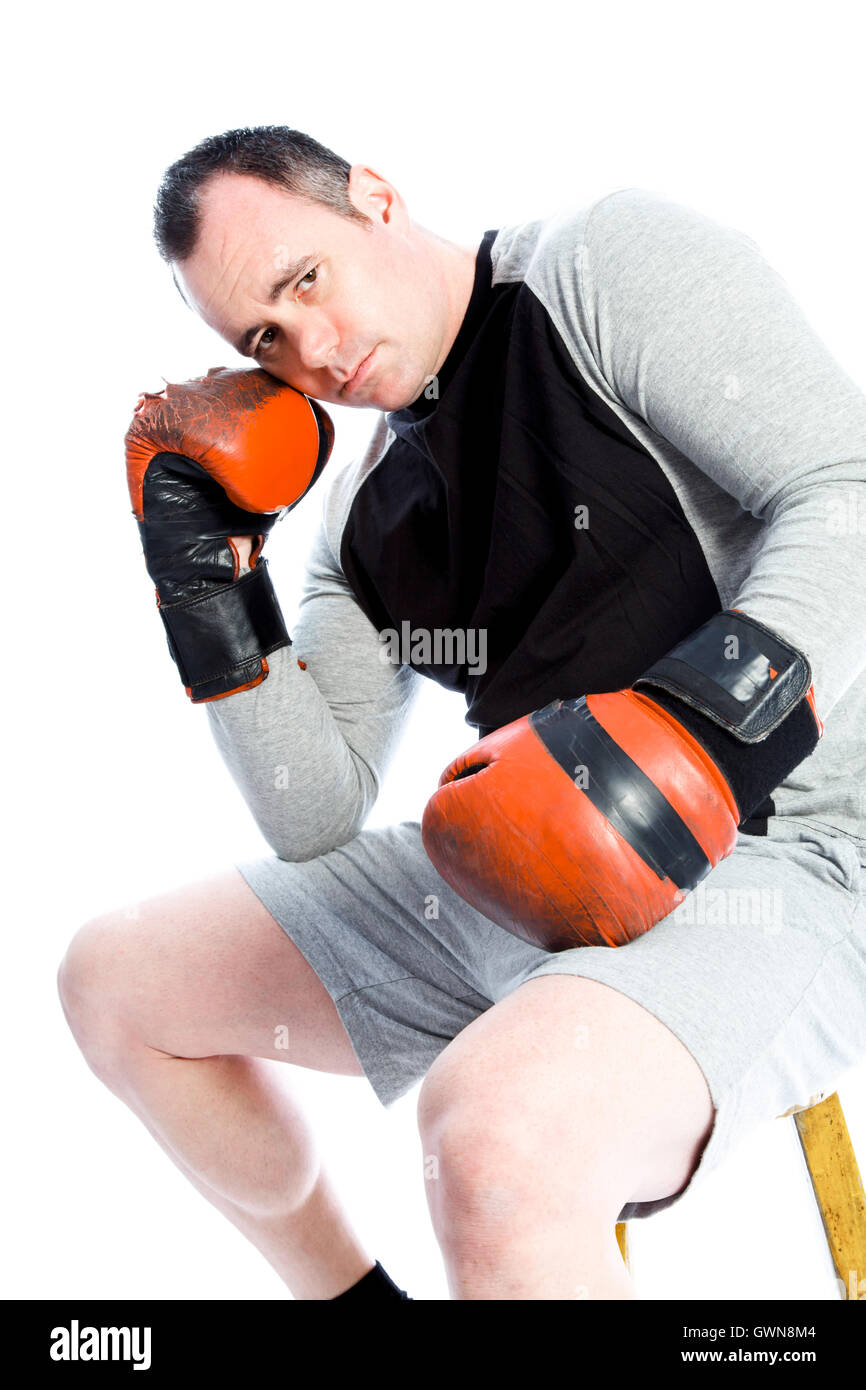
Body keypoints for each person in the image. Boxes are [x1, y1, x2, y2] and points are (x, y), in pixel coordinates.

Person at [57, 125, 866, 1301]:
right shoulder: (360, 520)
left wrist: (692, 734)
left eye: (305, 279)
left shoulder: (599, 267)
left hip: (788, 860)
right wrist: (206, 585)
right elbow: (314, 813)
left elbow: (844, 488)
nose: (312, 351)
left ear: (375, 197)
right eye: (263, 339)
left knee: (490, 1134)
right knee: (114, 980)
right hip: (534, 872)